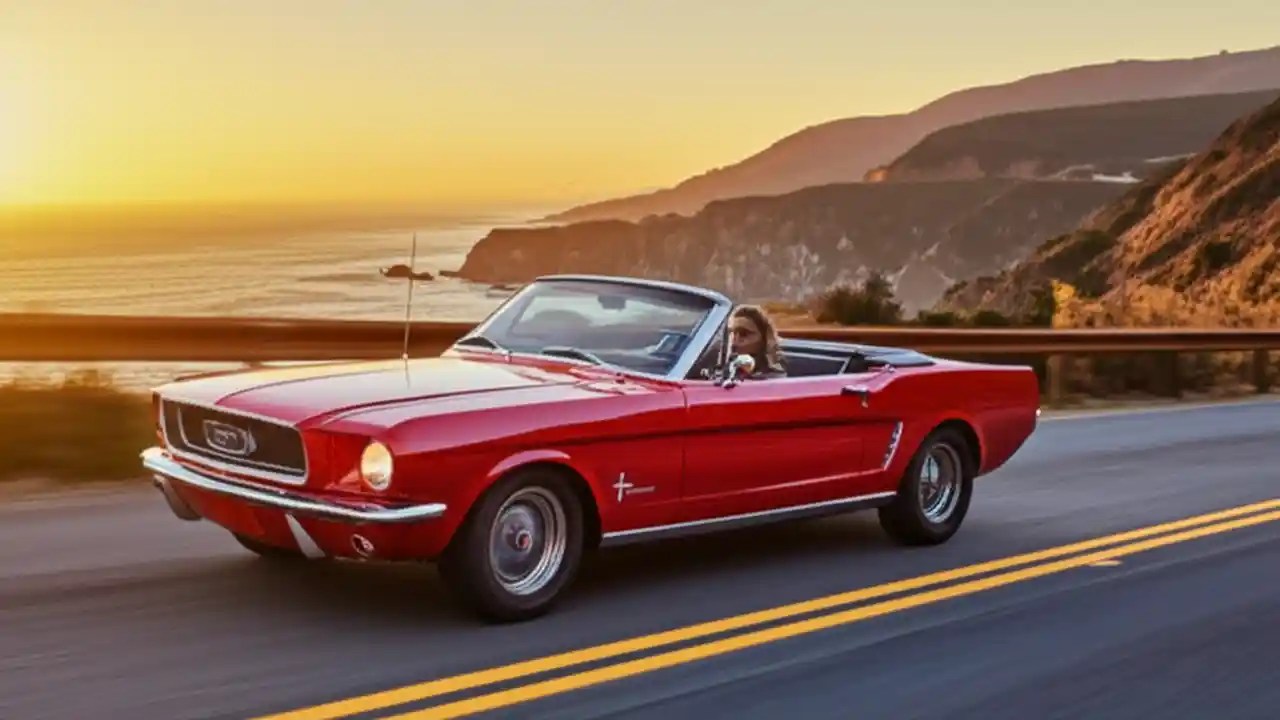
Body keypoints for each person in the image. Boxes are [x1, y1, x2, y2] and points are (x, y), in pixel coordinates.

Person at [728, 305, 787, 379]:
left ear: (764, 339)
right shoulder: (721, 370)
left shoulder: (773, 379)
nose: (734, 341)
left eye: (744, 334)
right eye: (731, 333)